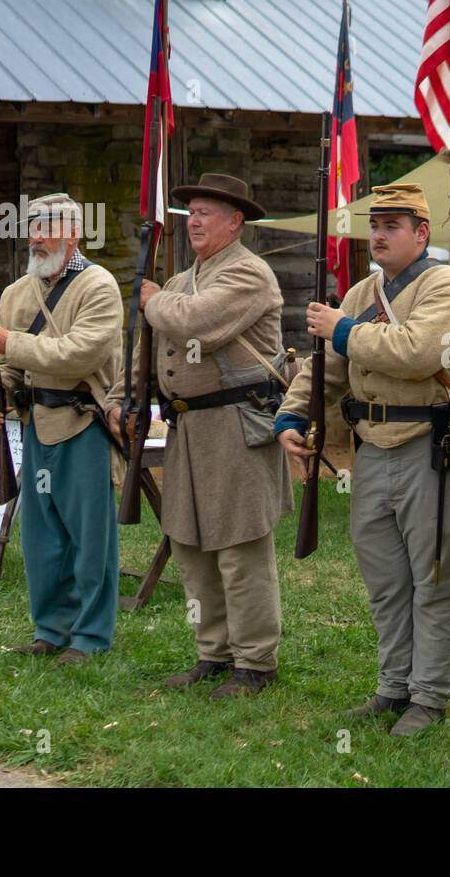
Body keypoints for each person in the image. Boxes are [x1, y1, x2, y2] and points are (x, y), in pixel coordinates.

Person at [276, 182, 450, 737]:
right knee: (387, 580)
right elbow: (327, 367)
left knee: (436, 577)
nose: (378, 235)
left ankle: (430, 696)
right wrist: (293, 415)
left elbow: (421, 351)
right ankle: (394, 686)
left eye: (391, 226)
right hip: (372, 446)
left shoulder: (447, 285)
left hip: (433, 445)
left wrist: (344, 330)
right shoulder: (361, 292)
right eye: (374, 225)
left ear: (422, 233)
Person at [106, 173, 293, 699]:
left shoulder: (249, 274)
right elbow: (146, 354)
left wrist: (150, 300)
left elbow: (197, 323)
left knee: (238, 549)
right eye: (192, 213)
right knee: (190, 546)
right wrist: (122, 399)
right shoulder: (176, 284)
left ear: (235, 223)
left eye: (207, 213)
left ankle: (255, 662)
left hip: (236, 424)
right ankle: (214, 653)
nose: (196, 221)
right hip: (188, 426)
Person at [0, 193, 123, 666]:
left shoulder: (98, 286)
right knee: (42, 539)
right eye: (32, 228)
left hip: (83, 423)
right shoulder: (17, 293)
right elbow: (4, 368)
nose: (36, 238)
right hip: (35, 426)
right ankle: (50, 629)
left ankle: (90, 636)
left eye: (47, 228)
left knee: (90, 538)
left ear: (73, 234)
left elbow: (79, 354)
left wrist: (10, 343)